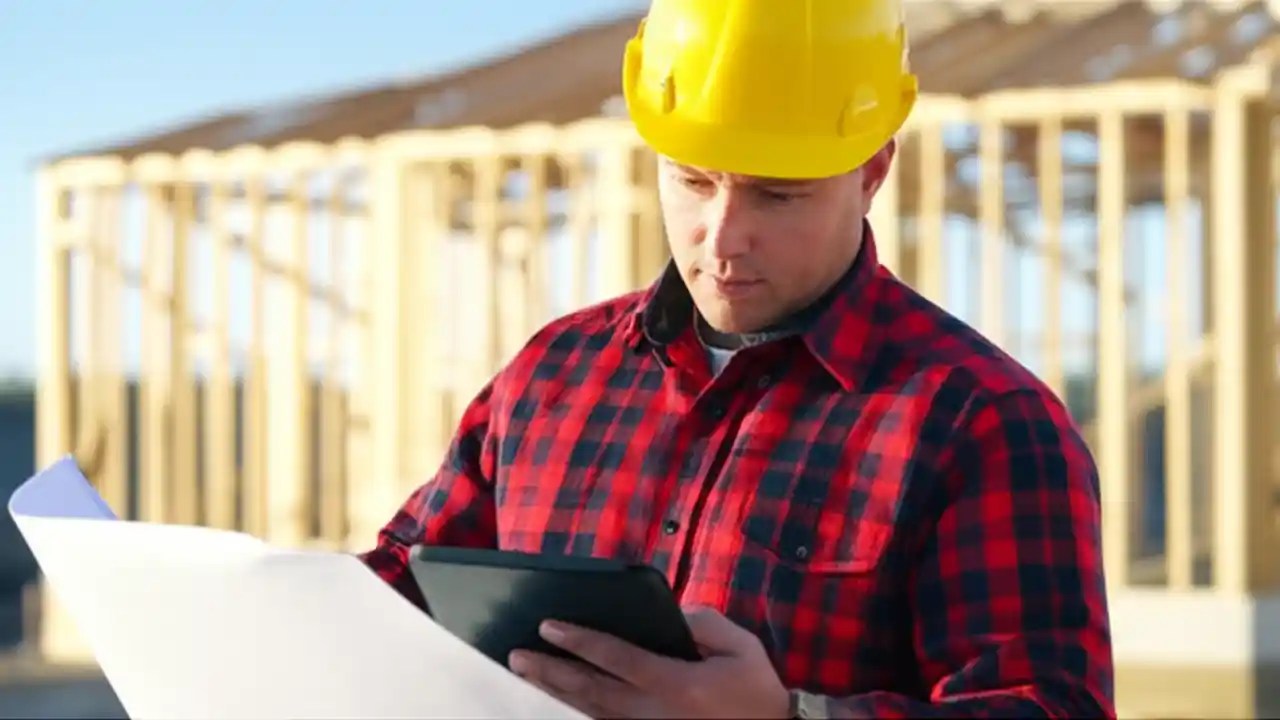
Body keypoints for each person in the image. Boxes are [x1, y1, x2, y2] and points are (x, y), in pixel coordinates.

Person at [360, 0, 1116, 717]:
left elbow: (1051, 706)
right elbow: (390, 595)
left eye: (777, 196)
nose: (721, 237)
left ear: (873, 171)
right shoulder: (553, 376)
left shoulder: (982, 424)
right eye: (692, 181)